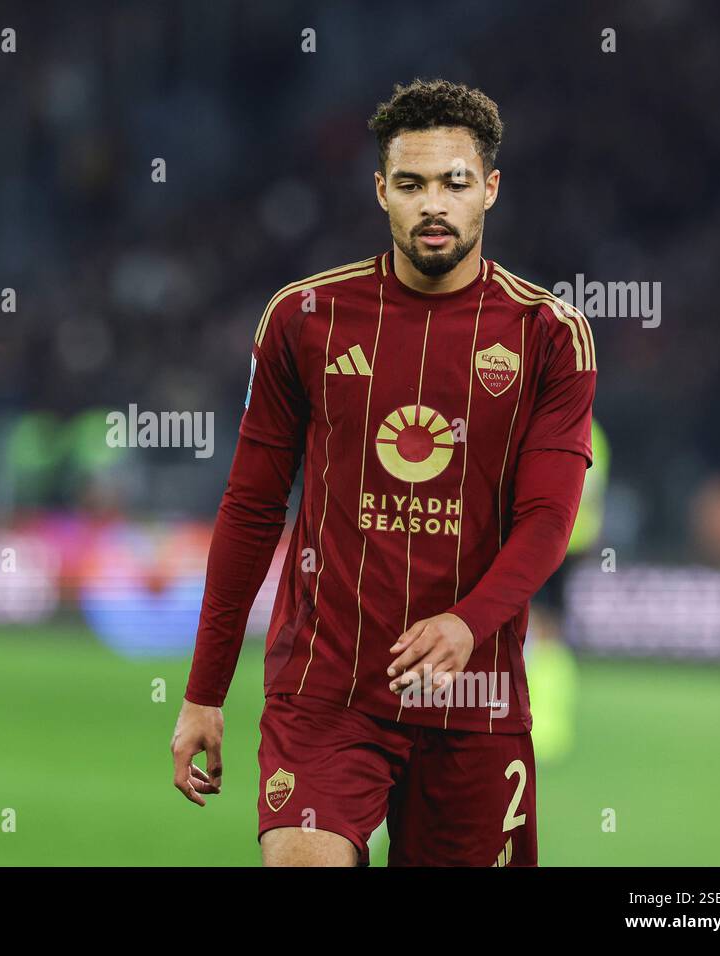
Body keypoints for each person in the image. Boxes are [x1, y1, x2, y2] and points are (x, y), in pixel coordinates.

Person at [170, 79, 597, 866]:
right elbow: (251, 509)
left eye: (454, 182)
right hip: (327, 687)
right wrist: (204, 690)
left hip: (474, 699)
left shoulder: (549, 335)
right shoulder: (304, 319)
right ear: (381, 192)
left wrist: (469, 621)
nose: (433, 203)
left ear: (490, 190)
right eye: (411, 183)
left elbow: (547, 520)